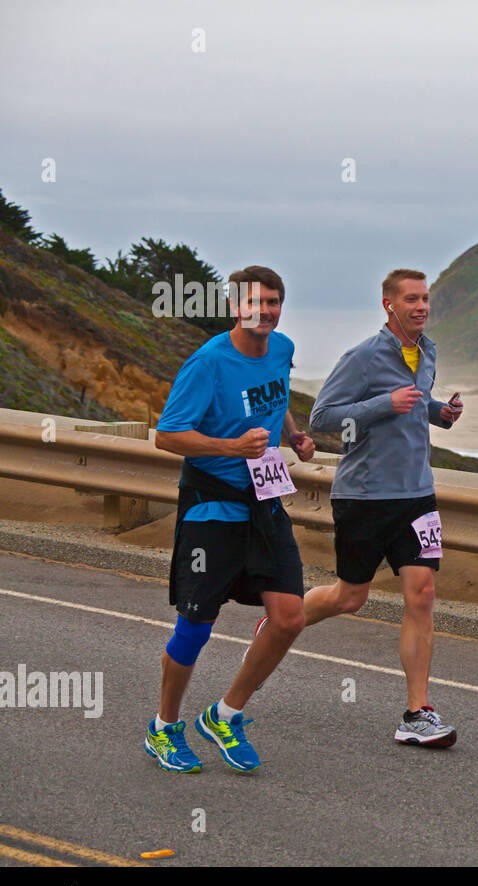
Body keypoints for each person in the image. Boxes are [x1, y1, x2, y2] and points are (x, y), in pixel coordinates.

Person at [146, 265, 315, 773]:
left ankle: (225, 714)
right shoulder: (208, 363)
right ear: (233, 307)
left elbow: (276, 394)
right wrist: (231, 446)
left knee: (290, 617)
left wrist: (295, 435)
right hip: (212, 504)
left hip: (263, 501)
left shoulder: (281, 348)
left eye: (273, 302)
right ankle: (164, 727)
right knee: (196, 626)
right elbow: (168, 435)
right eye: (254, 303)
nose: (264, 311)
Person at [301, 268, 464, 747]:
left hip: (417, 494)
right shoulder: (364, 357)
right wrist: (381, 405)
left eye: (426, 299)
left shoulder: (427, 350)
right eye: (411, 299)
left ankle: (417, 713)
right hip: (365, 496)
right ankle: (286, 617)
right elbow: (323, 417)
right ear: (389, 305)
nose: (421, 307)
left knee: (422, 593)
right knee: (350, 597)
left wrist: (440, 414)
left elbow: (416, 404)